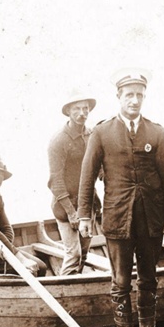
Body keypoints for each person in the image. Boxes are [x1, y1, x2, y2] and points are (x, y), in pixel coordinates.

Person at [78, 69, 164, 327]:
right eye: (129, 95)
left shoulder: (155, 131)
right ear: (119, 97)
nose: (134, 100)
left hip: (151, 217)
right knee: (120, 281)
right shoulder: (101, 132)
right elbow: (86, 177)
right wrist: (84, 216)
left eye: (139, 95)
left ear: (144, 97)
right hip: (118, 218)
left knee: (148, 277)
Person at [48, 92, 102, 275]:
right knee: (74, 254)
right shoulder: (58, 141)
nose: (82, 113)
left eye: (85, 108)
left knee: (84, 253)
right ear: (68, 112)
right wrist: (71, 212)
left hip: (88, 204)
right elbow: (55, 181)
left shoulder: (92, 135)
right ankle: (63, 292)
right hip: (66, 207)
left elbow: (99, 165)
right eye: (77, 109)